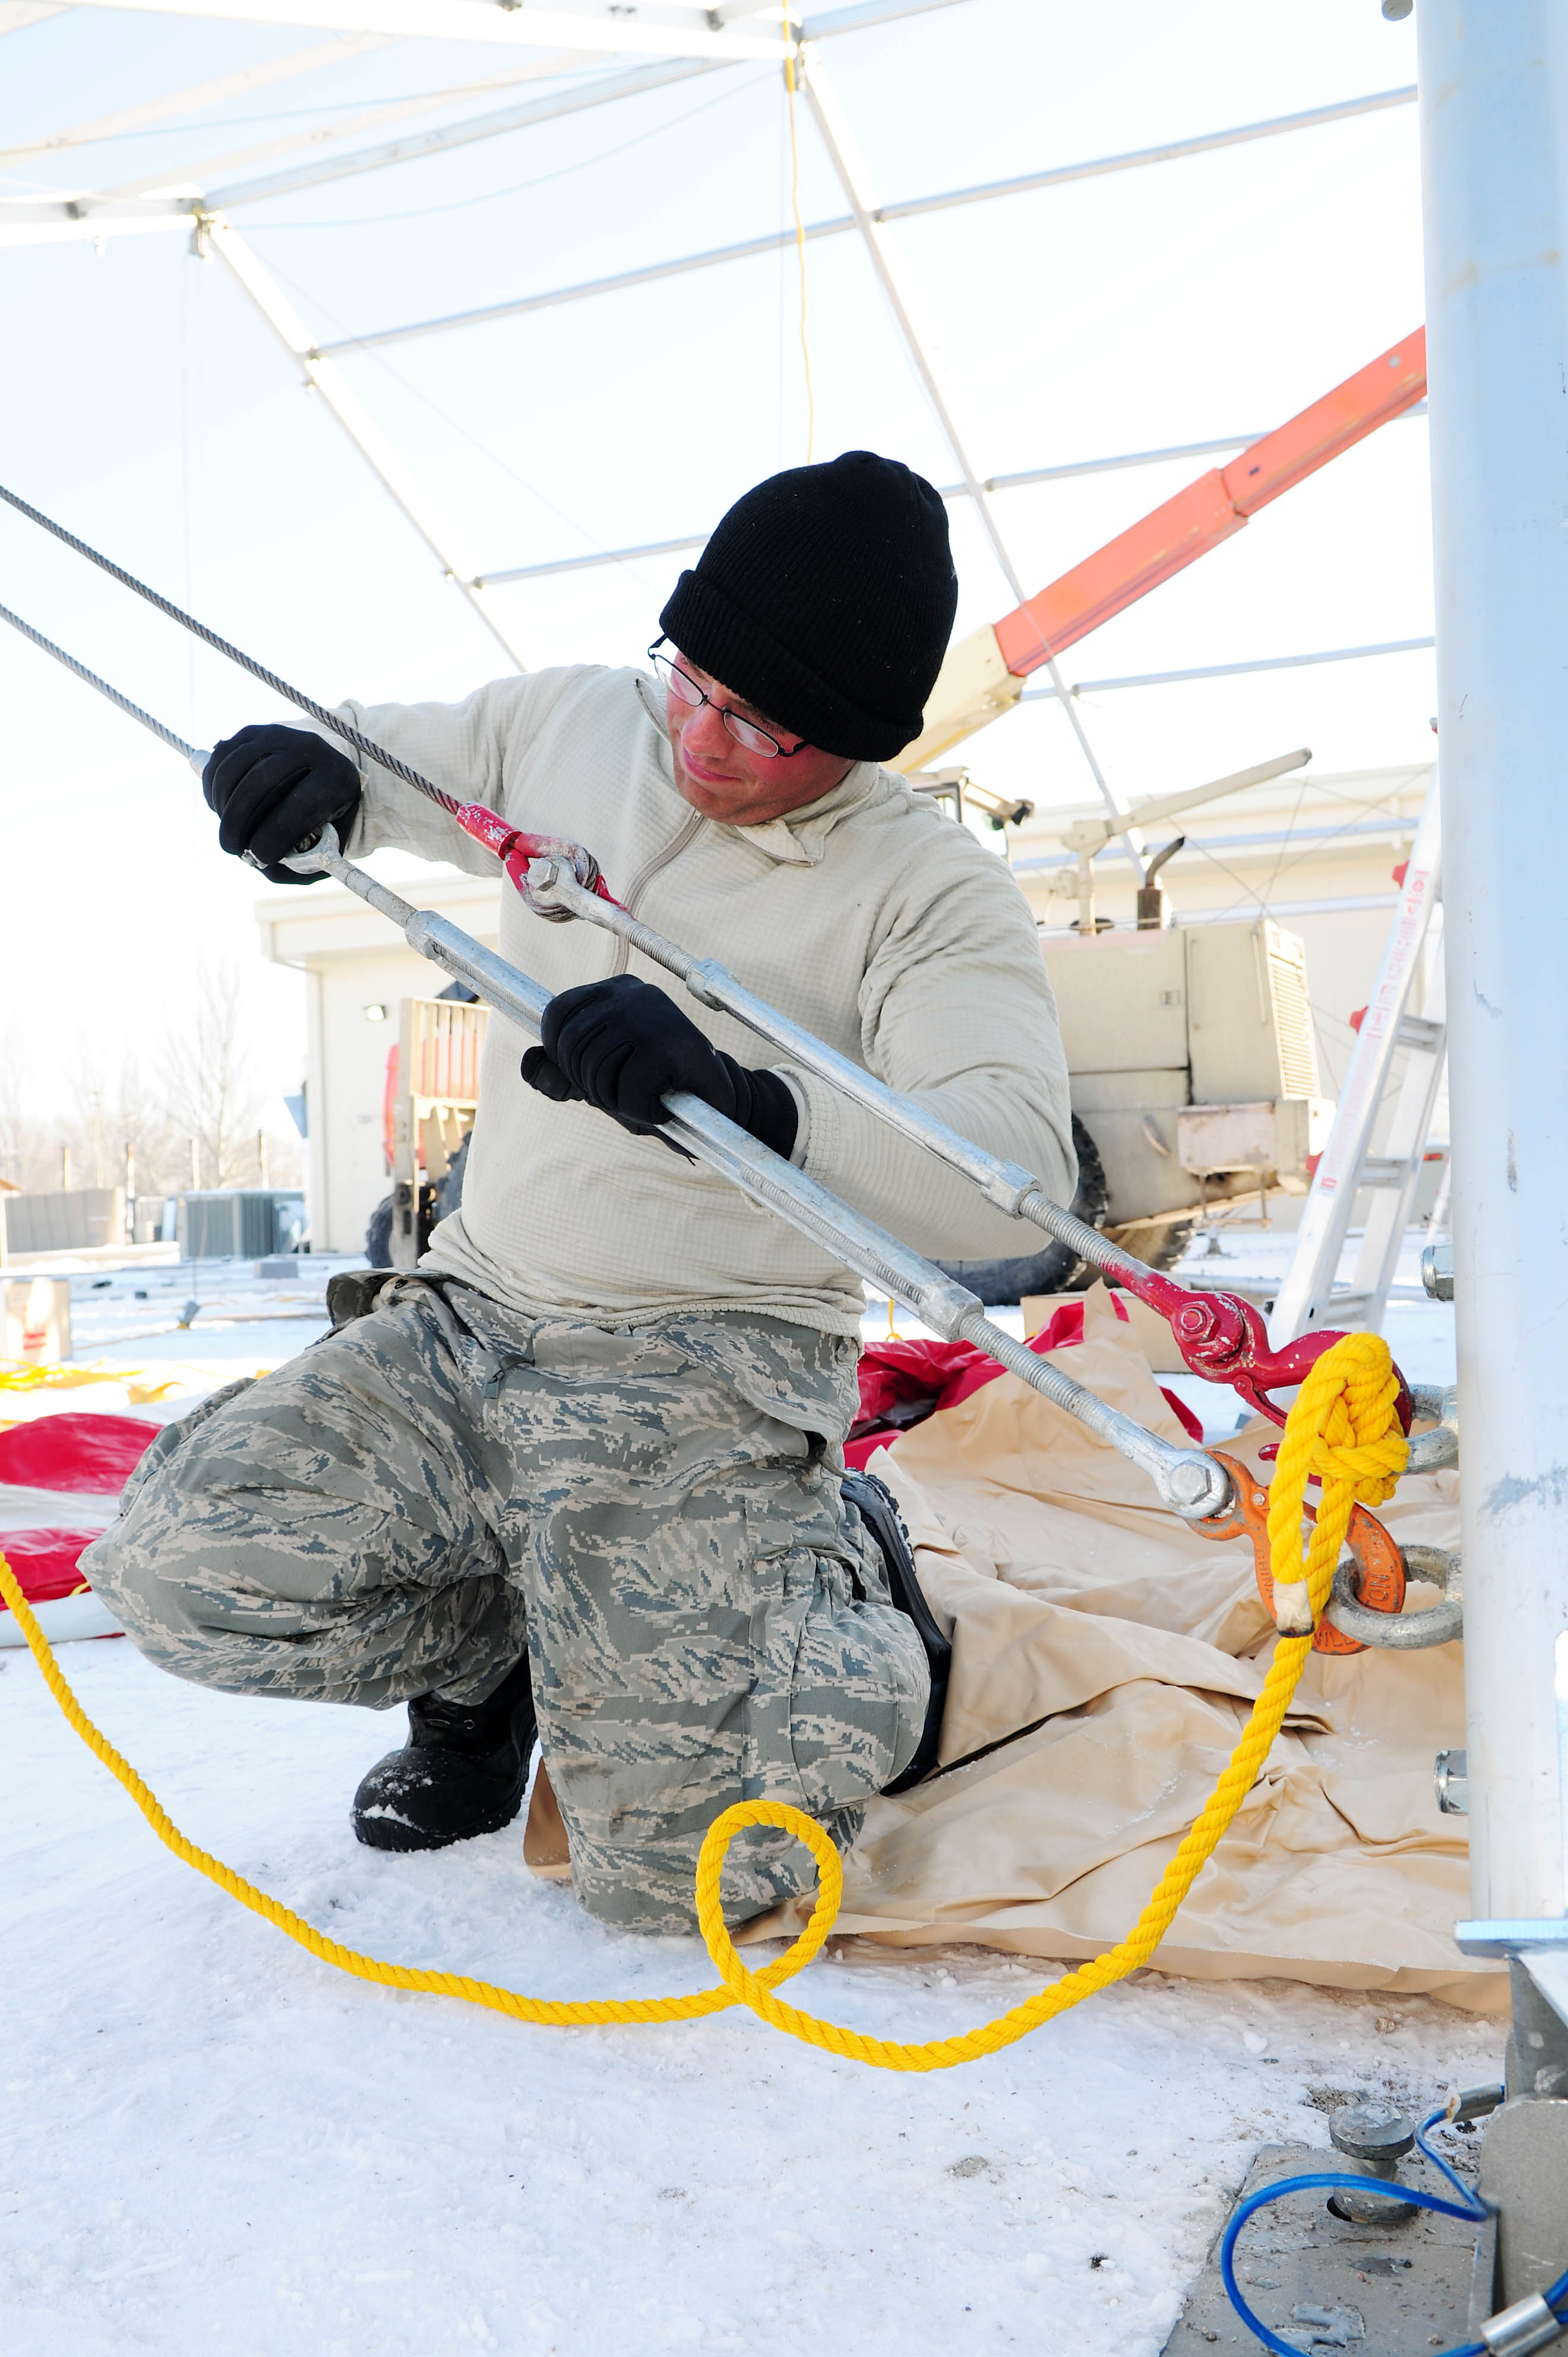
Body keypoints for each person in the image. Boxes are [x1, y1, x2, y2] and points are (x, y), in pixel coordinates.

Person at [85, 450, 1074, 1935]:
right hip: (472, 1319)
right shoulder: (573, 719)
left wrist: (756, 1103)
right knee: (175, 1573)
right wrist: (311, 775)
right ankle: (495, 1657)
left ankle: (838, 1573)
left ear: (862, 742)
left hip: (702, 1364)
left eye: (766, 724)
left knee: (690, 1886)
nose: (705, 740)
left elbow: (1017, 1188)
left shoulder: (926, 892)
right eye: (692, 680)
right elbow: (372, 761)